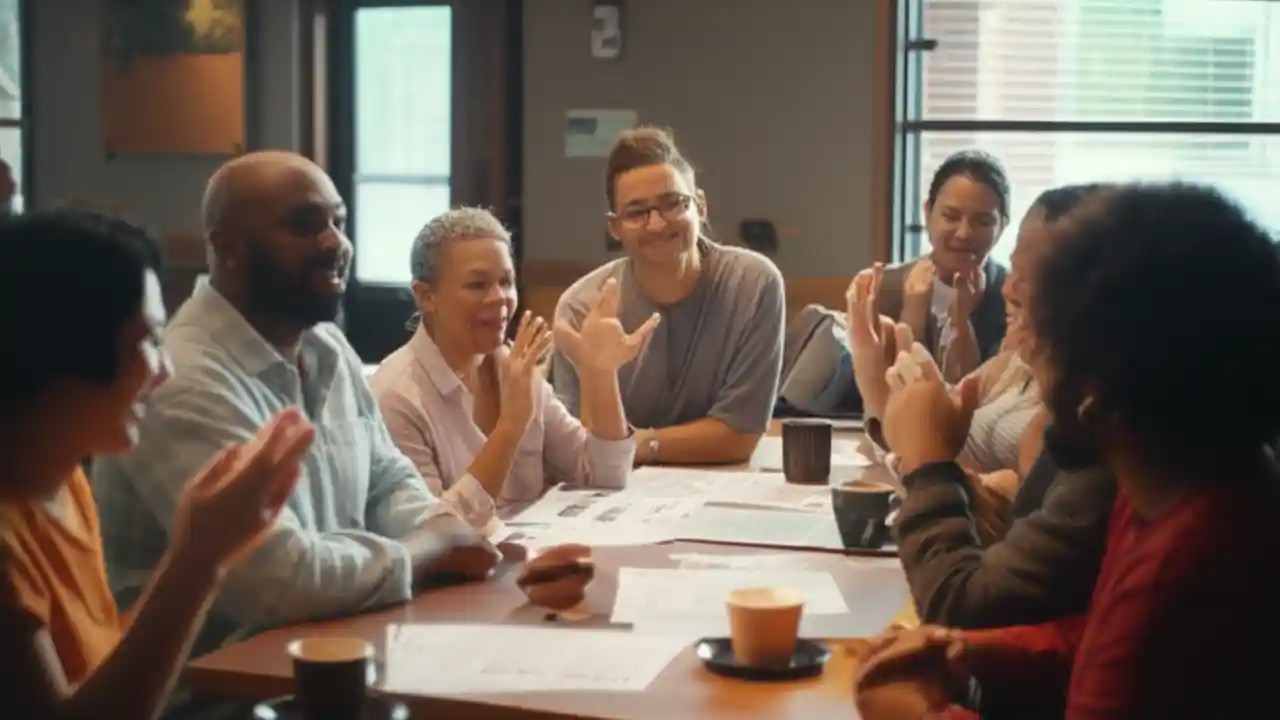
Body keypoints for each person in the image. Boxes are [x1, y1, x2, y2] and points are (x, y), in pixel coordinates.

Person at [855, 182, 1280, 719]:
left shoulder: (1188, 564)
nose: (1025, 342)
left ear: (1093, 395)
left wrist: (916, 714)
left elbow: (1126, 653)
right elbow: (1098, 633)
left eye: (1044, 330)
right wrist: (974, 652)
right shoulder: (1183, 476)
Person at [92, 152, 498, 668]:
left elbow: (388, 481)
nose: (335, 243)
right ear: (228, 249)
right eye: (304, 226)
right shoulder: (183, 379)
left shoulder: (325, 346)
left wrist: (445, 528)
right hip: (217, 692)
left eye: (339, 222)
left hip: (333, 648)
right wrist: (432, 549)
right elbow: (279, 583)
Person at [0, 209, 314, 720]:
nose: (164, 371)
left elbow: (97, 667)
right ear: (61, 345)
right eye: (146, 341)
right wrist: (199, 559)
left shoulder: (63, 482)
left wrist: (205, 550)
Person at [857, 185, 1117, 630]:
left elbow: (965, 604)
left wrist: (930, 464)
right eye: (1014, 270)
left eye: (1034, 276)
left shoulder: (1119, 458)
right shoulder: (1069, 430)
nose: (1010, 290)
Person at [371, 208, 648, 531]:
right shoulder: (396, 397)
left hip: (530, 561)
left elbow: (606, 474)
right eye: (477, 285)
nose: (499, 299)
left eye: (506, 282)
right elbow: (434, 535)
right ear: (427, 296)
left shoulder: (512, 365)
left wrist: (601, 372)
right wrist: (511, 426)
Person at [551, 127, 785, 465]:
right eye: (636, 212)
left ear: (700, 206)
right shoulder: (581, 306)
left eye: (673, 203)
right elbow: (583, 445)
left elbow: (739, 434)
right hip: (617, 492)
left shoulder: (753, 284)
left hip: (724, 483)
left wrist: (639, 443)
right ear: (614, 227)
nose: (657, 224)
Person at [874, 150, 1012, 383]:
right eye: (950, 216)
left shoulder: (1014, 296)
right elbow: (879, 389)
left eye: (983, 222)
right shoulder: (886, 286)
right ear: (928, 214)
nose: (964, 233)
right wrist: (912, 317)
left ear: (1002, 227)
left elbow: (984, 396)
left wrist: (962, 320)